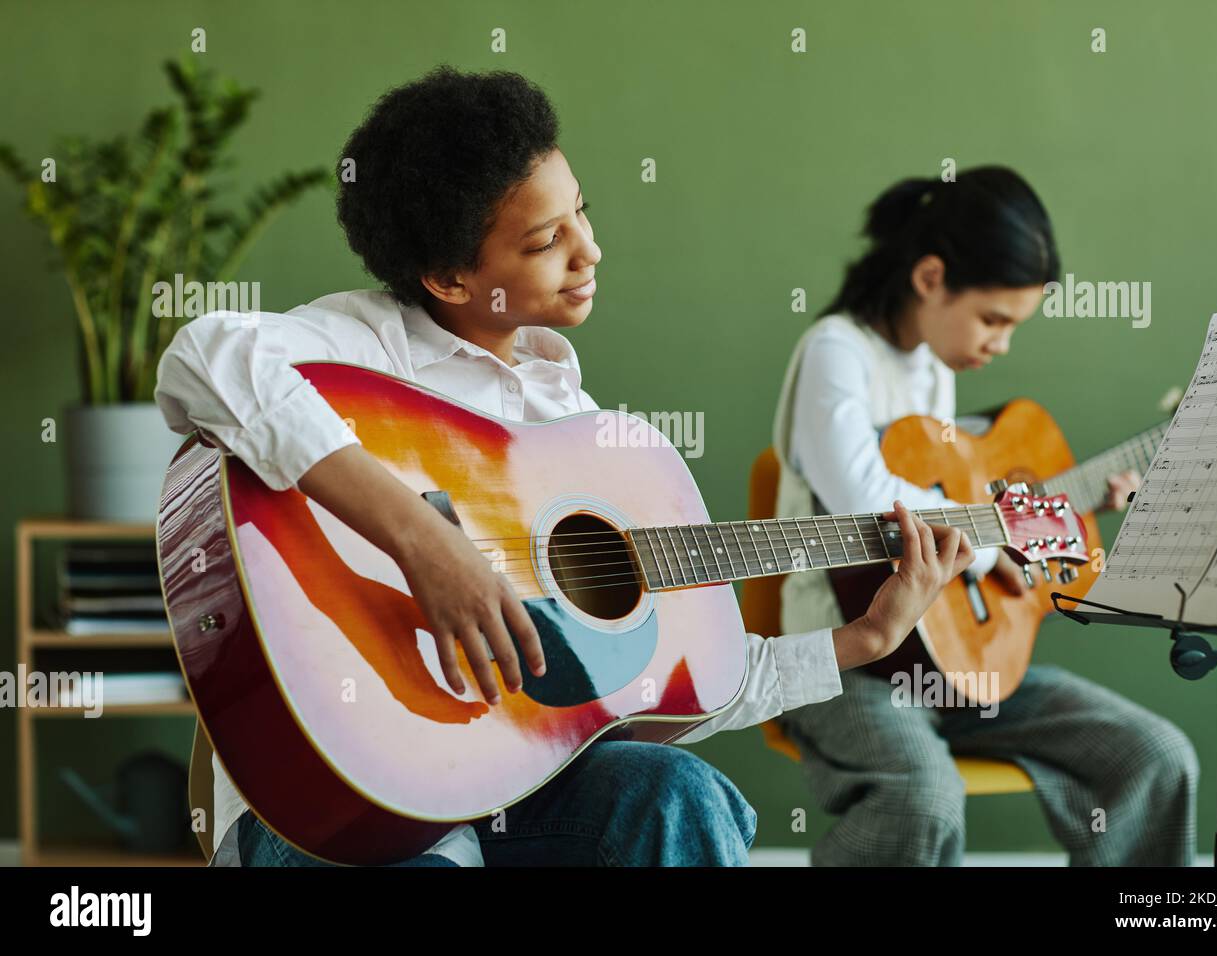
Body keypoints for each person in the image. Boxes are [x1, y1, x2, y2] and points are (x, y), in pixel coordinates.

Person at [155, 67, 973, 867]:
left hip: (517, 785)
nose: (590, 250)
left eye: (581, 213)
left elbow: (679, 685)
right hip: (343, 797)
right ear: (447, 277)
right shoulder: (365, 348)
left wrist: (863, 639)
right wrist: (423, 543)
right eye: (547, 240)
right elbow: (204, 355)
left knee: (681, 796)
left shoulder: (573, 431)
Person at [772, 167, 1199, 866]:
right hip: (844, 660)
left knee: (1154, 754)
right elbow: (870, 503)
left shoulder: (934, 370)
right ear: (931, 277)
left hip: (949, 660)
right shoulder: (835, 352)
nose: (1000, 343)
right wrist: (999, 532)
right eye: (994, 319)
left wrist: (1062, 517)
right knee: (924, 796)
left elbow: (958, 518)